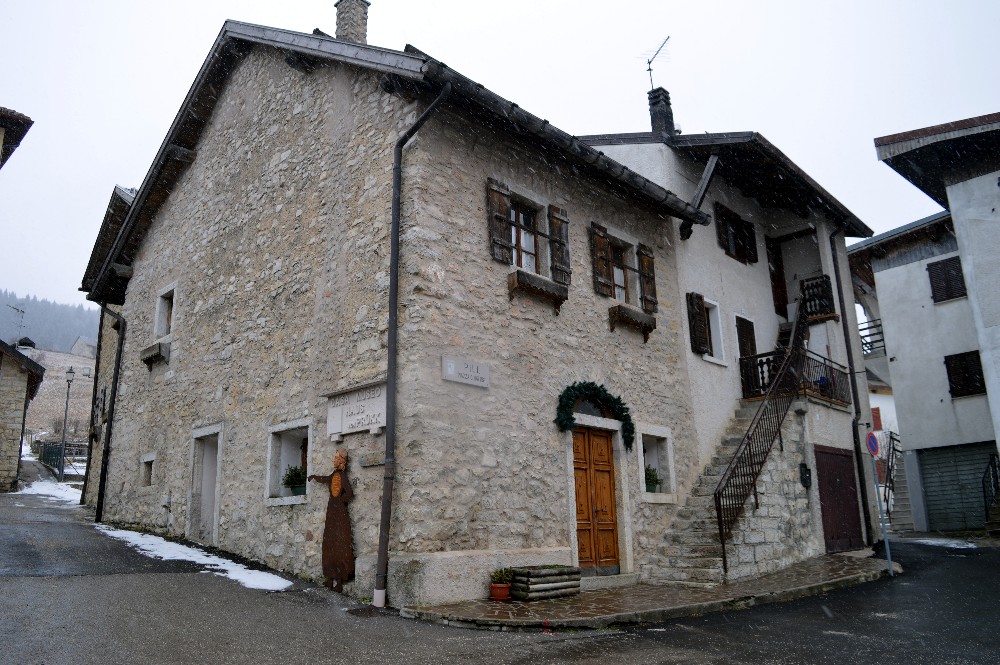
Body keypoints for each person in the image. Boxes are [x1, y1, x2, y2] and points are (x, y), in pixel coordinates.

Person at [308, 449, 354, 591]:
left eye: (336, 458)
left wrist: (340, 502)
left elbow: (349, 493)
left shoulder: (342, 476)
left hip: (339, 514)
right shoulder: (334, 475)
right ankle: (330, 578)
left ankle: (339, 580)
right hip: (331, 513)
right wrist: (314, 477)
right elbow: (325, 479)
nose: (333, 460)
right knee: (329, 542)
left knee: (339, 544)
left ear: (341, 461)